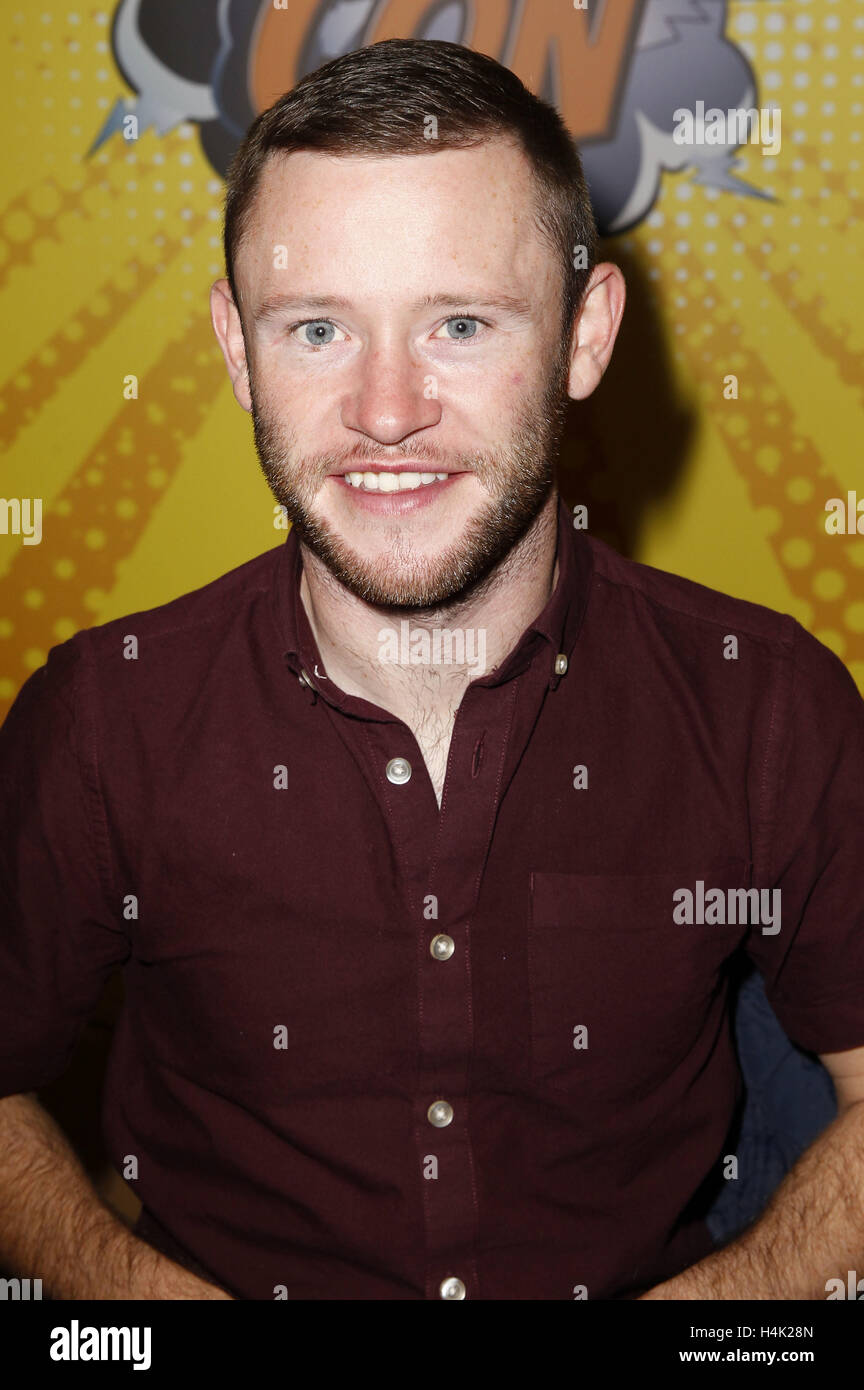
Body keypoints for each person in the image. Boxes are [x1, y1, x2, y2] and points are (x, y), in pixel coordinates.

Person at [1, 38, 863, 1302]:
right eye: (317, 329)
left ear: (584, 334)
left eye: (460, 322)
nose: (387, 409)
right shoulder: (99, 717)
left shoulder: (766, 703)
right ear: (239, 352)